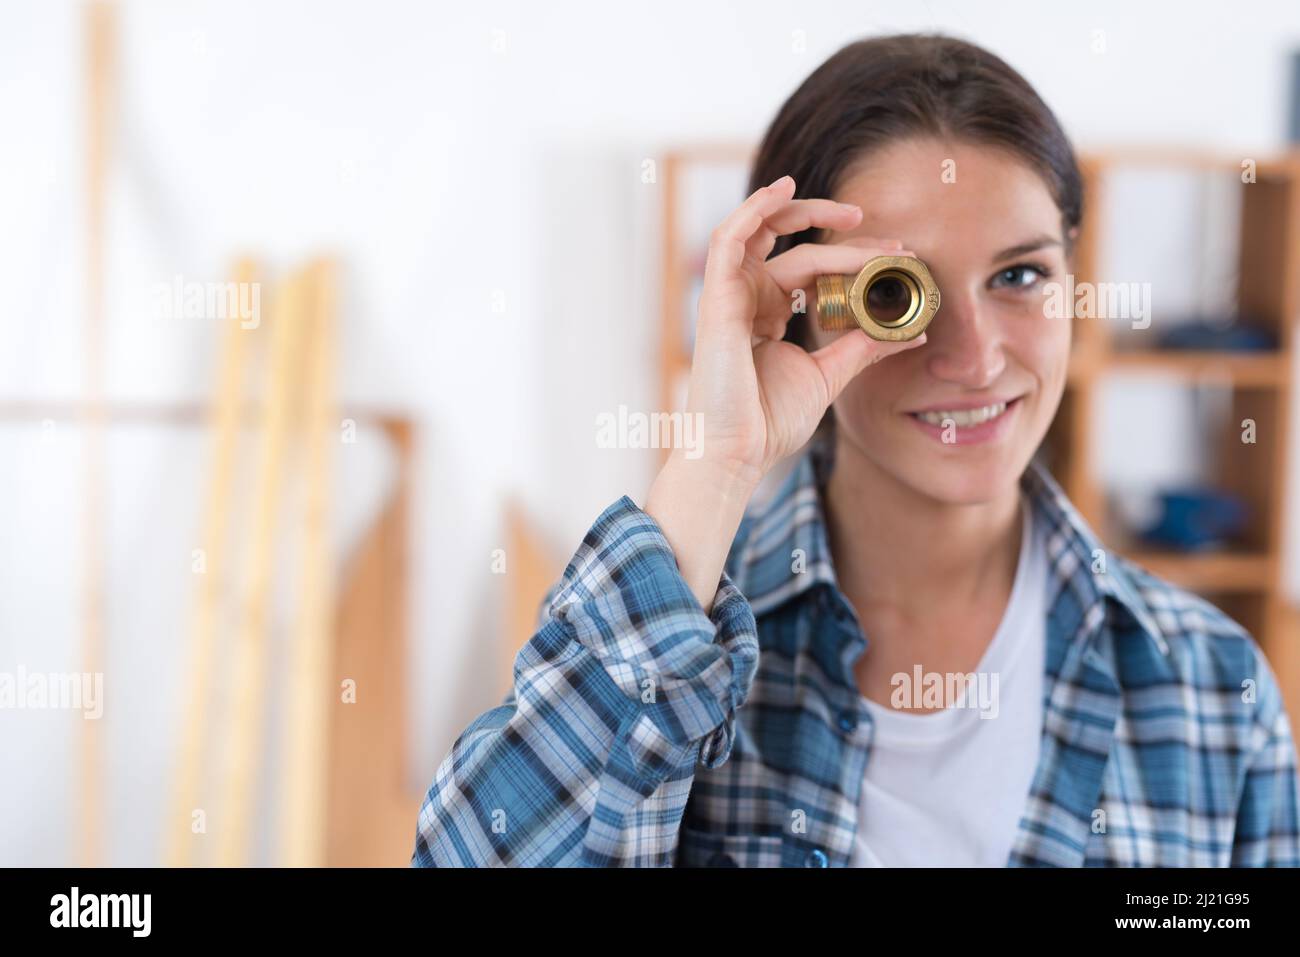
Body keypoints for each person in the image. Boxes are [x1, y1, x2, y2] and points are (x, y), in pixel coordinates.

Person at [413, 34, 1300, 867]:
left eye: (1020, 275)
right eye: (896, 292)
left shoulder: (1212, 693)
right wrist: (714, 465)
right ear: (797, 303)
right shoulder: (669, 637)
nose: (977, 358)